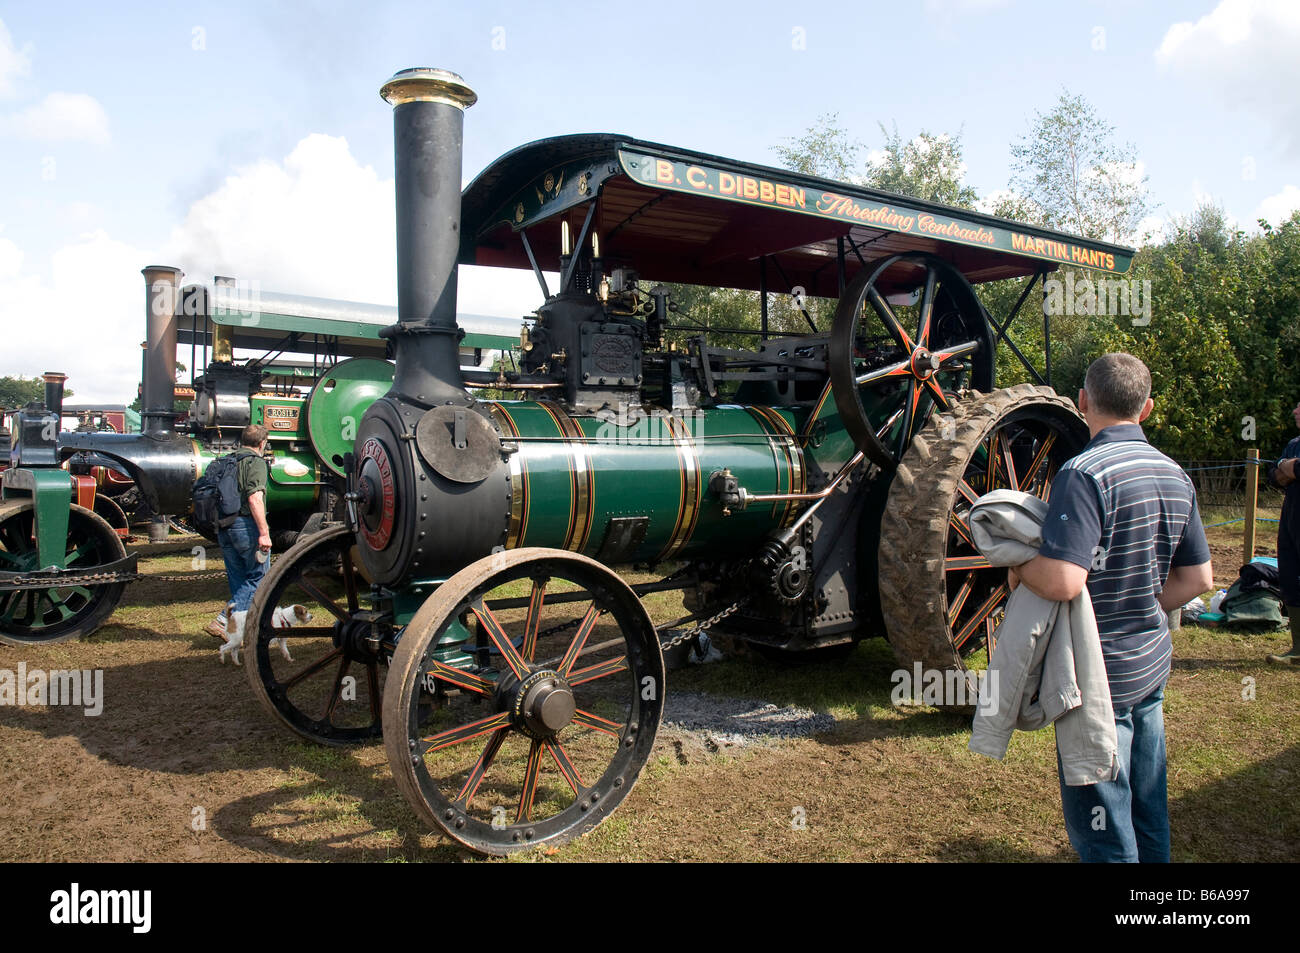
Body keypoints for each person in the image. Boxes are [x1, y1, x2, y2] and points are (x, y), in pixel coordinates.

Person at [1007, 353, 1213, 863]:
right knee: (1147, 805)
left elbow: (1062, 580)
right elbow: (1198, 579)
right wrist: (1142, 600)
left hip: (1097, 675)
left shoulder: (1082, 473)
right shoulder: (1174, 473)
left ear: (1082, 402)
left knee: (1102, 826)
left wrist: (1017, 569)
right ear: (1145, 409)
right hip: (1150, 665)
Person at [204, 425, 273, 639]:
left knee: (239, 581)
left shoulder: (227, 460)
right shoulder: (255, 462)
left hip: (224, 527)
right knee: (259, 578)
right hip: (245, 526)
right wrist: (264, 532)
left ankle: (240, 632)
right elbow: (254, 498)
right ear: (262, 444)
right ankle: (223, 620)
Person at [1265, 400, 1300, 664]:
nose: (1294, 411)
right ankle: (1297, 648)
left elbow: (1290, 470)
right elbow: (1274, 476)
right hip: (1290, 519)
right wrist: (1289, 468)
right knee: (1290, 578)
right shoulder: (1293, 443)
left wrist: (1290, 468)